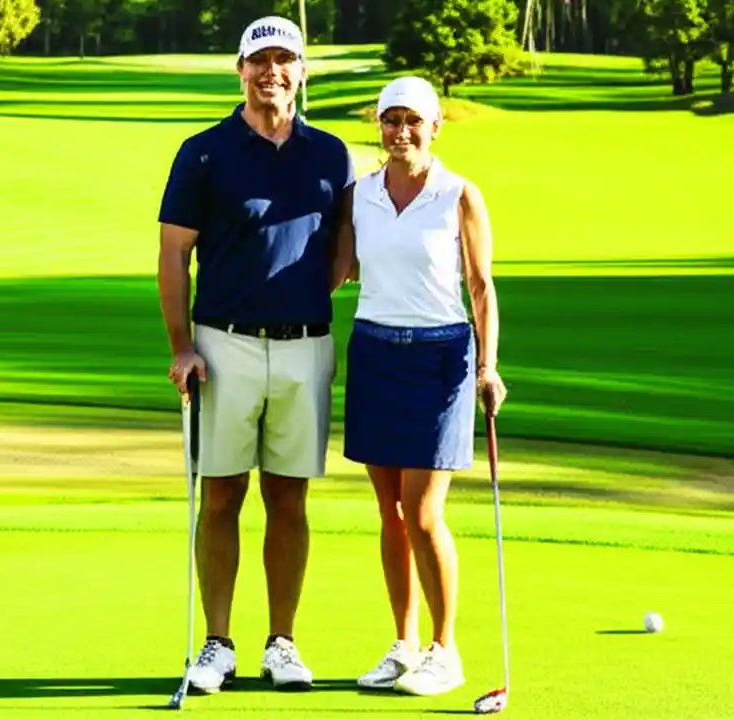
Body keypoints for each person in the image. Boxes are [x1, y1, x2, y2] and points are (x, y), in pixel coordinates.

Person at [156, 15, 355, 694]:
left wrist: (298, 296)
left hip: (306, 347)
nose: (272, 71)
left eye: (285, 60)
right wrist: (182, 345)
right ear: (239, 70)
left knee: (289, 499)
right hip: (222, 345)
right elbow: (174, 253)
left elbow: (340, 253)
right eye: (259, 60)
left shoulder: (331, 154)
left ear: (303, 71)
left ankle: (283, 643)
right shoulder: (204, 152)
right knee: (221, 497)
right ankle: (216, 644)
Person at [332, 75, 508, 697]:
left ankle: (445, 649)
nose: (401, 132)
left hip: (441, 358)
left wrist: (488, 366)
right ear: (378, 128)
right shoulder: (361, 195)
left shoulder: (459, 195)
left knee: (424, 512)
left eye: (413, 121)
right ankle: (404, 646)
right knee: (390, 511)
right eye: (390, 121)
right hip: (375, 351)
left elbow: (482, 289)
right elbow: (335, 272)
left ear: (435, 127)